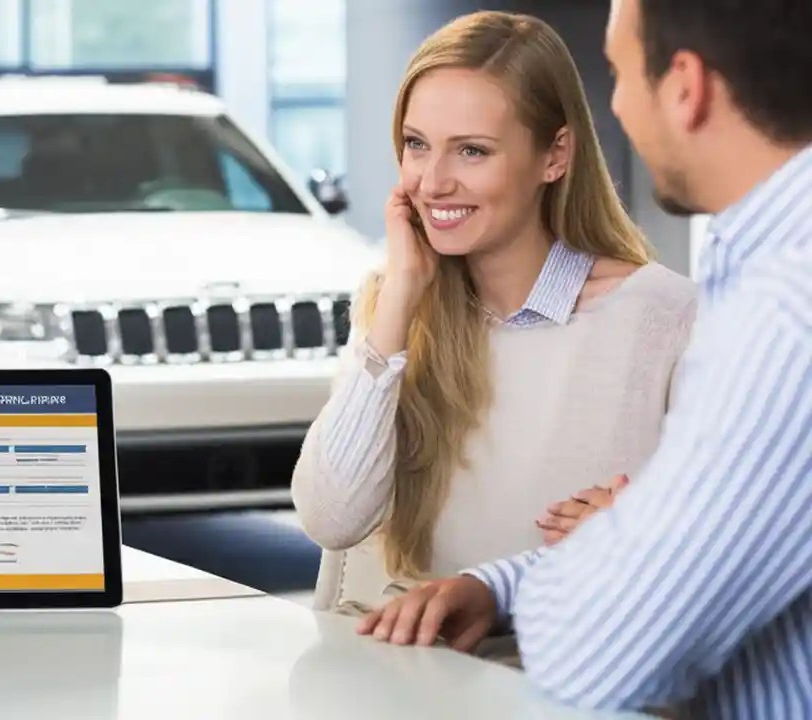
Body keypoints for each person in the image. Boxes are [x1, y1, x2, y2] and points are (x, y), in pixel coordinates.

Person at [360, 0, 812, 715]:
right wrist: (502, 585)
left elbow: (596, 652)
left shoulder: (784, 316)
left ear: (685, 87)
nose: (618, 109)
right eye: (418, 144)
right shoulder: (762, 279)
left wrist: (636, 537)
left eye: (619, 74)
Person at [290, 10, 696, 620]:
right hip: (381, 664)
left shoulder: (665, 320)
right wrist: (399, 298)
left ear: (555, 155)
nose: (433, 182)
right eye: (417, 145)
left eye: (471, 151)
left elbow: (721, 554)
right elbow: (331, 518)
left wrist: (643, 538)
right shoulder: (394, 305)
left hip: (547, 669)